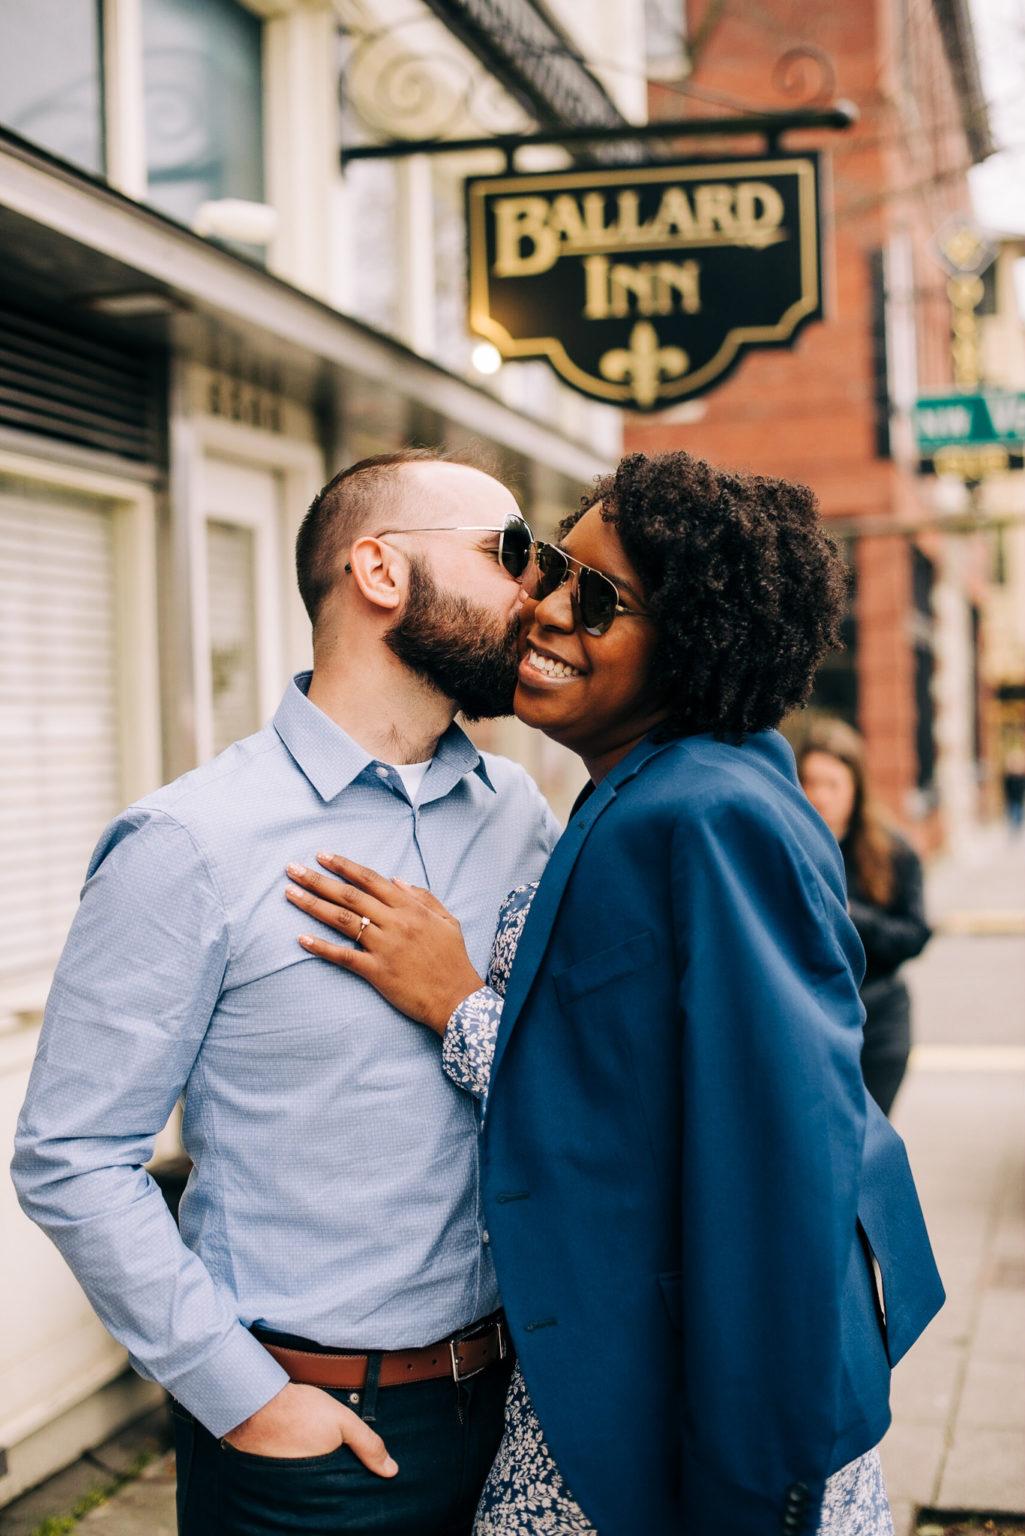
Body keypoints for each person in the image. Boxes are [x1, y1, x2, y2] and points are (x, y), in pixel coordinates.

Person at [284, 450, 945, 1536]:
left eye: (594, 599)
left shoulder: (704, 815)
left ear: (688, 643)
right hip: (617, 1409)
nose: (541, 609)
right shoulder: (651, 790)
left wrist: (458, 1005)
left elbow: (767, 1164)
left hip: (680, 1445)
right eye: (547, 568)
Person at [13, 449, 562, 1536]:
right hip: (309, 1444)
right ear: (378, 571)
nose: (536, 593)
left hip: (519, 1419)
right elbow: (70, 1155)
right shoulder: (191, 843)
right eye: (510, 554)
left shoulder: (520, 817)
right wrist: (246, 1399)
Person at [796, 717, 931, 1117]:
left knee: (867, 1148)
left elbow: (915, 935)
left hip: (880, 1023)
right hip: (811, 1025)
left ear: (855, 787)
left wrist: (852, 916)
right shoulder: (784, 848)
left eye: (832, 783)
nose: (819, 795)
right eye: (810, 781)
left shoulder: (892, 851)